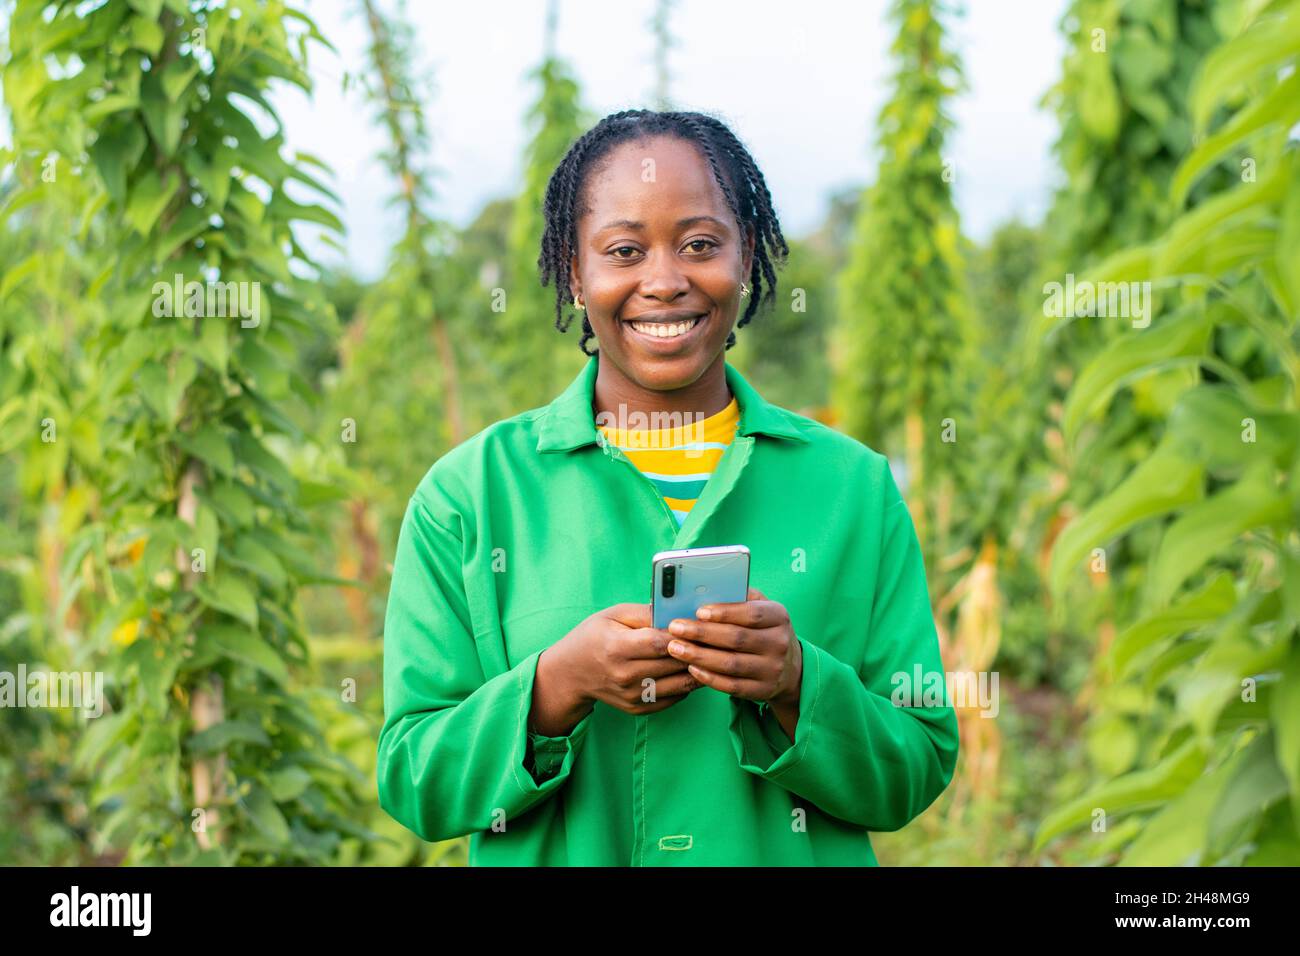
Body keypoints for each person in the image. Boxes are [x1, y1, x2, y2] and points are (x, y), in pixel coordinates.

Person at [377, 109, 959, 866]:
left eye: (700, 244)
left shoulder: (852, 488)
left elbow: (914, 767)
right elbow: (414, 779)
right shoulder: (470, 497)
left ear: (745, 255)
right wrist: (555, 687)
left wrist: (796, 684)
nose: (665, 281)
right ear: (573, 269)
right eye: (624, 250)